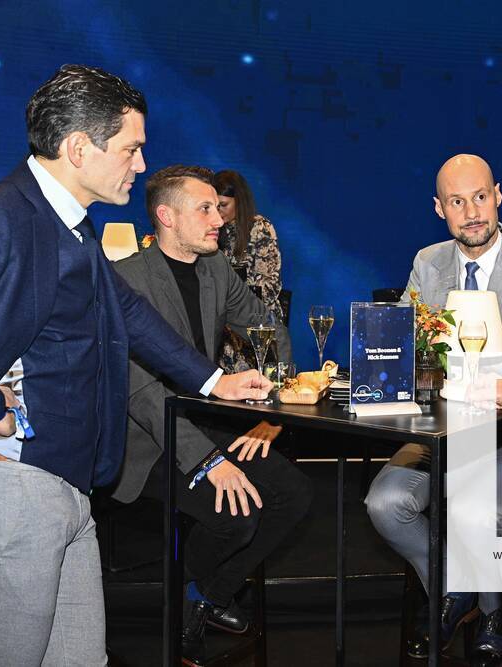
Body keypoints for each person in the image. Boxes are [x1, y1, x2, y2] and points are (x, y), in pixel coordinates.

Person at [0, 65, 269, 666]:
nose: (139, 164)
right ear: (79, 148)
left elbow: (126, 312)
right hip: (8, 497)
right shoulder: (1, 217)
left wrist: (214, 381)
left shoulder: (71, 228)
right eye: (131, 148)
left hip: (66, 494)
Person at [365, 153, 502, 665]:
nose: (472, 211)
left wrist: (456, 347)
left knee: (474, 508)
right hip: (440, 429)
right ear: (440, 208)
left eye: (480, 197)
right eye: (457, 202)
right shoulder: (427, 263)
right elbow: (405, 343)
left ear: (497, 195)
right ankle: (459, 586)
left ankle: (494, 609)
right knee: (385, 505)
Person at [112, 164, 312, 663]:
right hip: (147, 438)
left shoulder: (216, 269)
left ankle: (204, 597)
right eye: (204, 208)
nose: (219, 218)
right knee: (236, 520)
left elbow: (269, 328)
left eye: (218, 207)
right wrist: (206, 461)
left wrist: (277, 407)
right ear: (166, 216)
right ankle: (200, 604)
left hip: (207, 419)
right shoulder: (126, 280)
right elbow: (140, 391)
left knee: (293, 494)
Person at [211, 169, 284, 372]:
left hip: (255, 322)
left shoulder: (260, 228)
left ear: (239, 201)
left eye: (223, 205)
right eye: (214, 206)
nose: (218, 212)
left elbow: (268, 286)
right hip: (222, 322)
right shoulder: (213, 230)